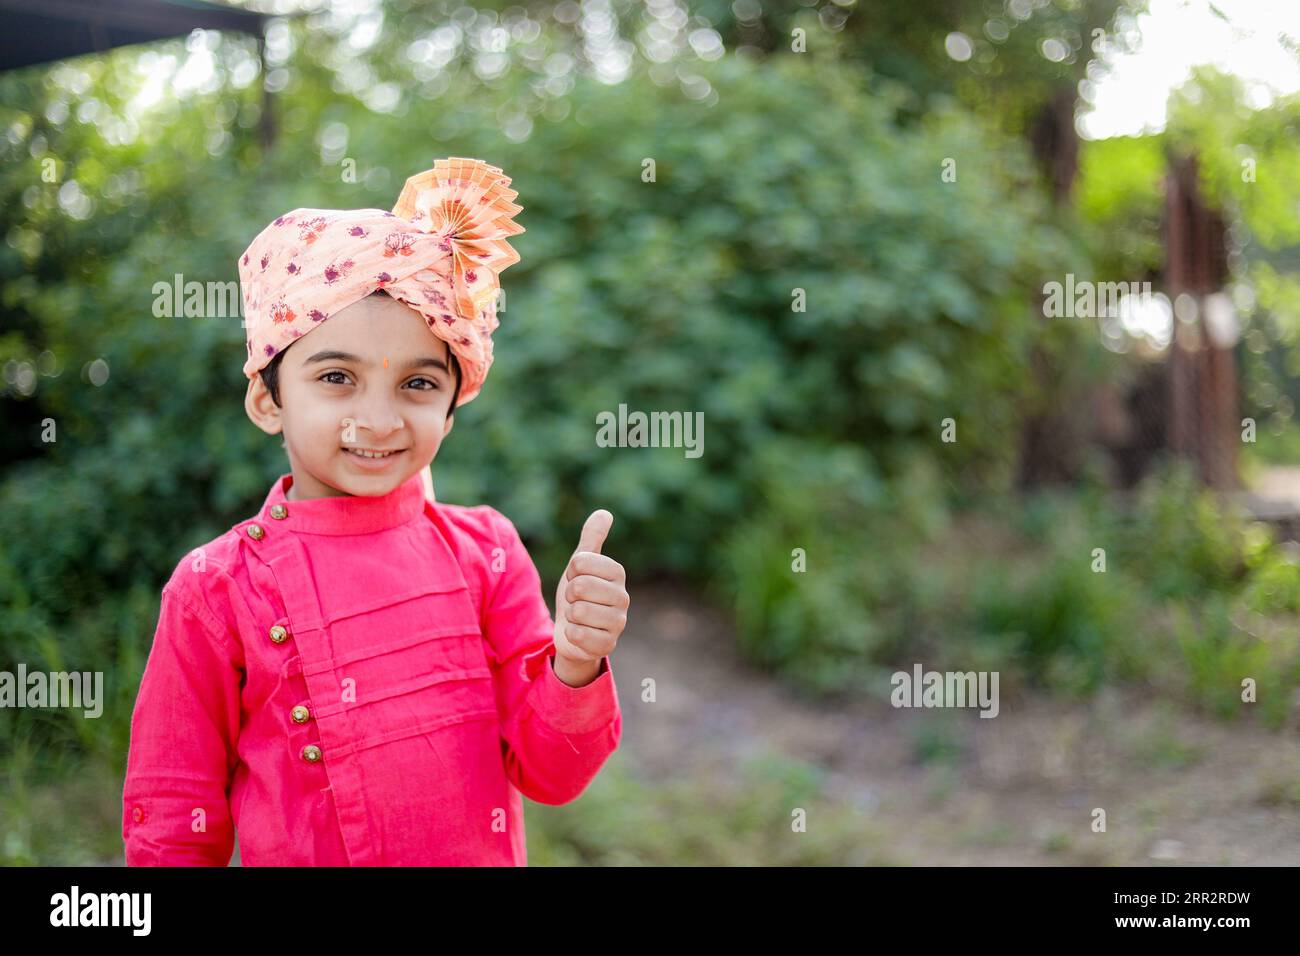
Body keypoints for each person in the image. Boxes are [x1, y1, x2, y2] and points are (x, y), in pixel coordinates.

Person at [121, 157, 627, 865]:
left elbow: (550, 774)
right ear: (269, 400)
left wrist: (574, 662)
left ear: (451, 411)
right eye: (336, 377)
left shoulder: (486, 552)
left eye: (418, 383)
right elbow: (174, 818)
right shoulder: (214, 589)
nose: (379, 419)